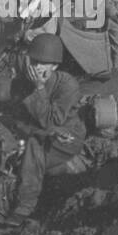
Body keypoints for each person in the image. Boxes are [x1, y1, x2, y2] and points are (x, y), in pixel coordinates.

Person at [8, 33, 87, 223]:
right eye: (34, 61)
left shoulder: (68, 85)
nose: (36, 67)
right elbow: (17, 117)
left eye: (43, 63)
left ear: (55, 66)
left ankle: (25, 206)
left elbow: (51, 121)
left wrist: (39, 89)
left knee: (35, 146)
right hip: (38, 131)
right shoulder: (21, 82)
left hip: (67, 136)